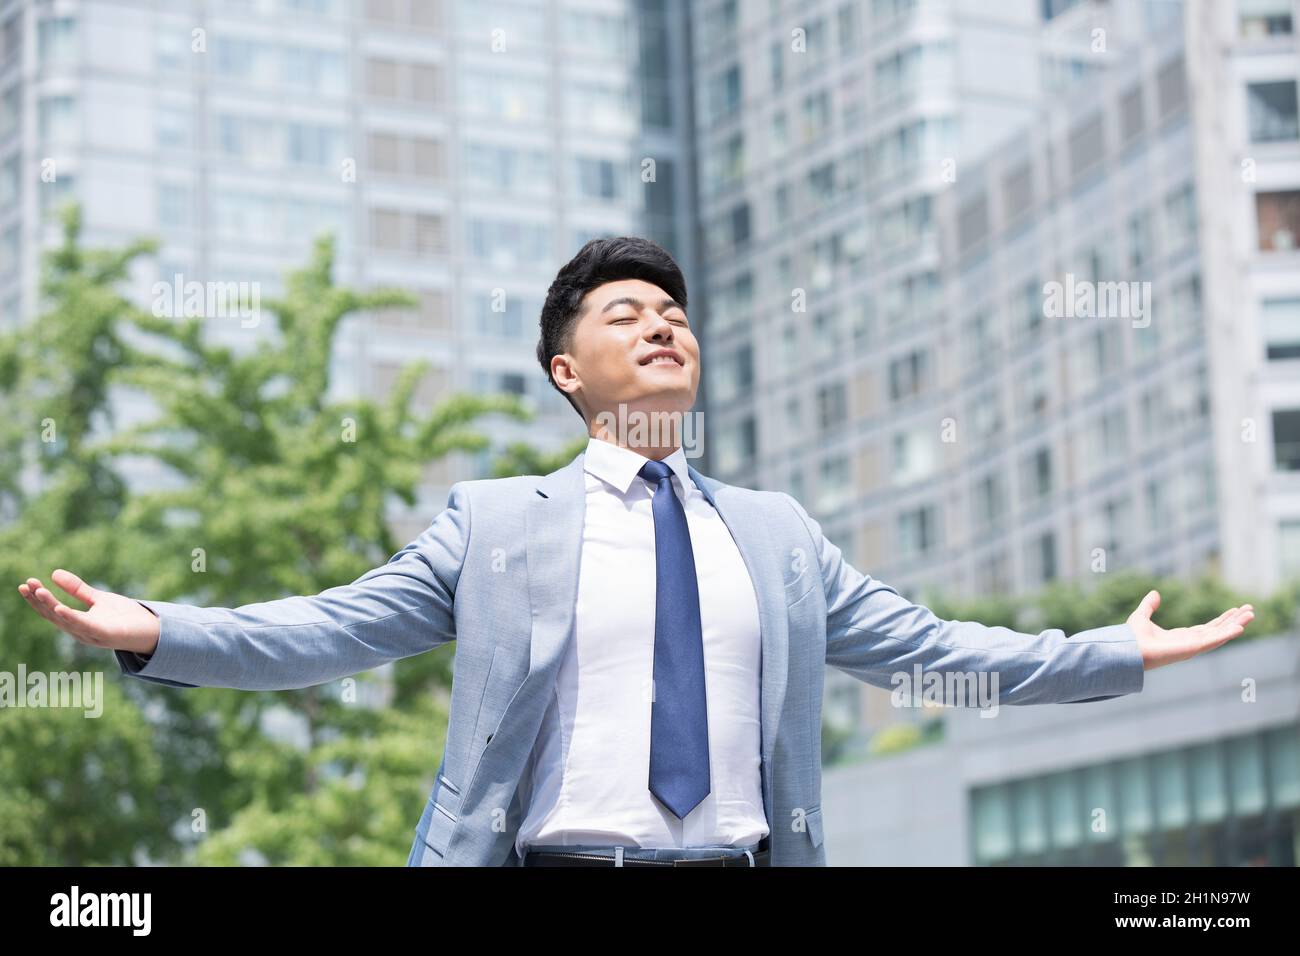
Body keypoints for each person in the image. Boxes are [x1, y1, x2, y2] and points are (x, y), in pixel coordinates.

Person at [18, 237, 1256, 867]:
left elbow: (934, 650)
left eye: (674, 315)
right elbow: (331, 627)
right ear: (569, 370)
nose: (662, 325)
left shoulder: (775, 535)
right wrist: (158, 630)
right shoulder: (496, 523)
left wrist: (1113, 652)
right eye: (626, 314)